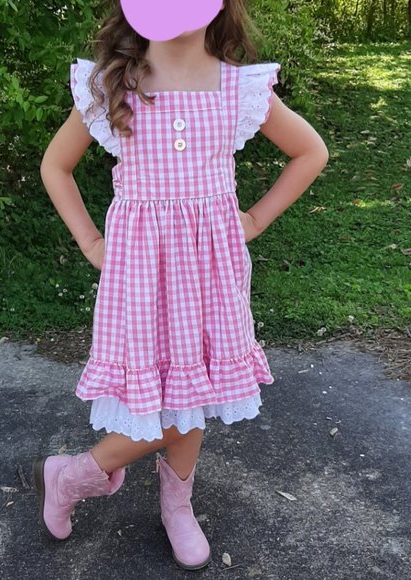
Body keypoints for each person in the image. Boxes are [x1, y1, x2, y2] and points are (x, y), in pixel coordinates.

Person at [35, 0, 328, 571]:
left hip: (208, 278)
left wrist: (253, 219)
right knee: (165, 399)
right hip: (142, 281)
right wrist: (91, 243)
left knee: (194, 387)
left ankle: (176, 506)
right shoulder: (113, 86)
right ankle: (72, 477)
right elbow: (56, 165)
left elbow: (309, 151)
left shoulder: (238, 89)